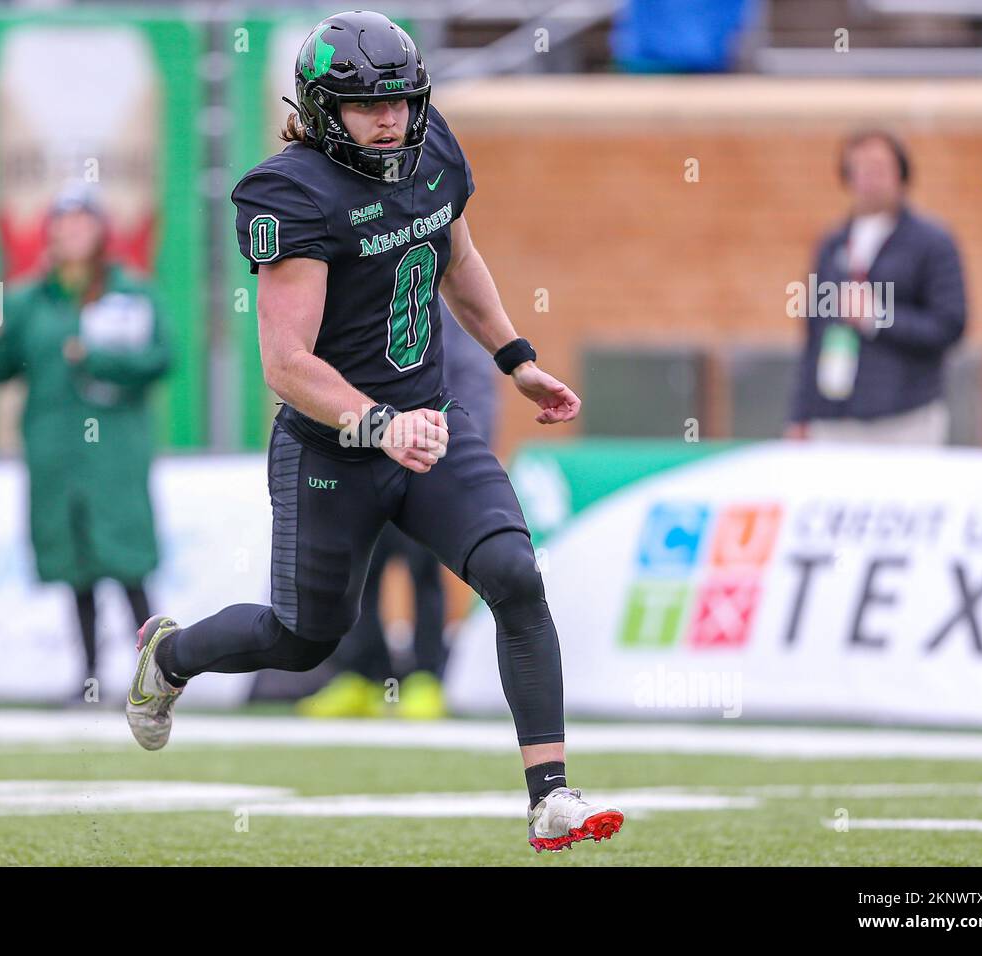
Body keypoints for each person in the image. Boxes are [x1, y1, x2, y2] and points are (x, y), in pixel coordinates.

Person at [124, 11, 623, 853]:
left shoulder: (430, 153)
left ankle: (551, 798)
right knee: (302, 636)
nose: (390, 119)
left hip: (427, 421)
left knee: (512, 572)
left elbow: (457, 258)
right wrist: (375, 424)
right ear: (323, 110)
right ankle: (169, 658)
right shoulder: (291, 191)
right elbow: (286, 363)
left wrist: (515, 357)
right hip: (333, 445)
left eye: (400, 100)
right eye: (367, 106)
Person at [0, 185, 170, 700]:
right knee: (76, 567)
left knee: (127, 562)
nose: (72, 234)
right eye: (62, 225)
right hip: (55, 452)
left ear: (101, 232)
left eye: (83, 223)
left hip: (116, 455)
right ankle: (87, 676)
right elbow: (0, 371)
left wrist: (96, 358)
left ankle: (158, 673)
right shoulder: (29, 300)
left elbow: (161, 359)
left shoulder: (132, 291)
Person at [297, 302, 497, 720]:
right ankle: (361, 674)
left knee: (422, 568)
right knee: (358, 570)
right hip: (362, 456)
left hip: (427, 456)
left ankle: (425, 676)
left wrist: (460, 446)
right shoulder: (360, 287)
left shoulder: (439, 295)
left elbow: (473, 381)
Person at [786, 129, 968, 444]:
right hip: (835, 416)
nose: (870, 179)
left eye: (879, 168)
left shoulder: (931, 242)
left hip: (904, 417)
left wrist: (878, 317)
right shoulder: (833, 244)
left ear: (901, 173)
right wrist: (800, 414)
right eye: (860, 169)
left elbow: (949, 324)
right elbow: (814, 332)